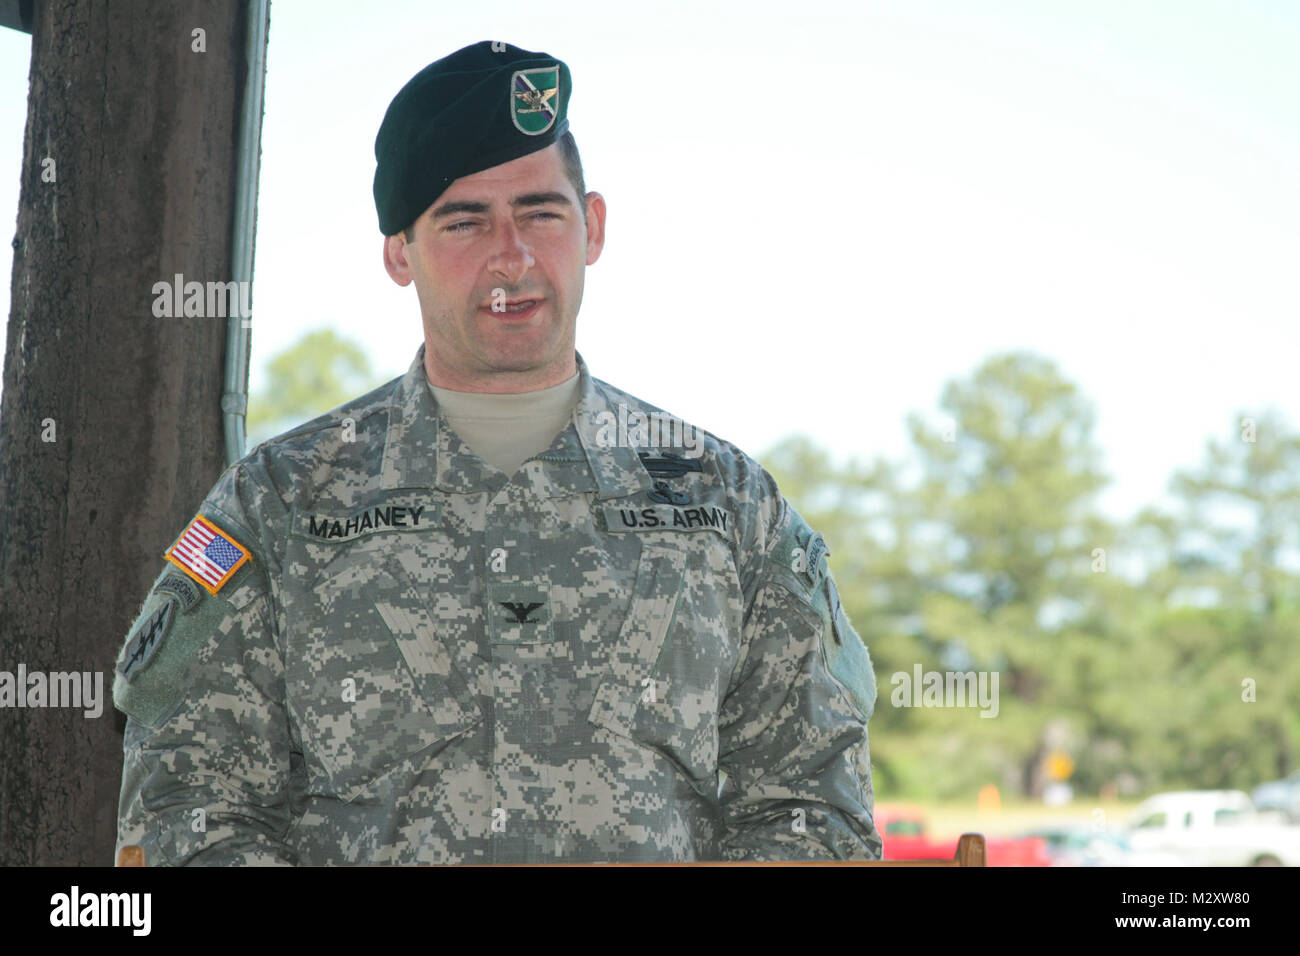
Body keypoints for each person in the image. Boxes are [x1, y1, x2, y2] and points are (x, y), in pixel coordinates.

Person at [112, 40, 882, 865]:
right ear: (399, 253)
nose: (510, 257)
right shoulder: (277, 504)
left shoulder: (729, 507)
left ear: (592, 227)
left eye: (540, 214)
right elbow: (186, 812)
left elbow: (814, 810)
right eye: (465, 221)